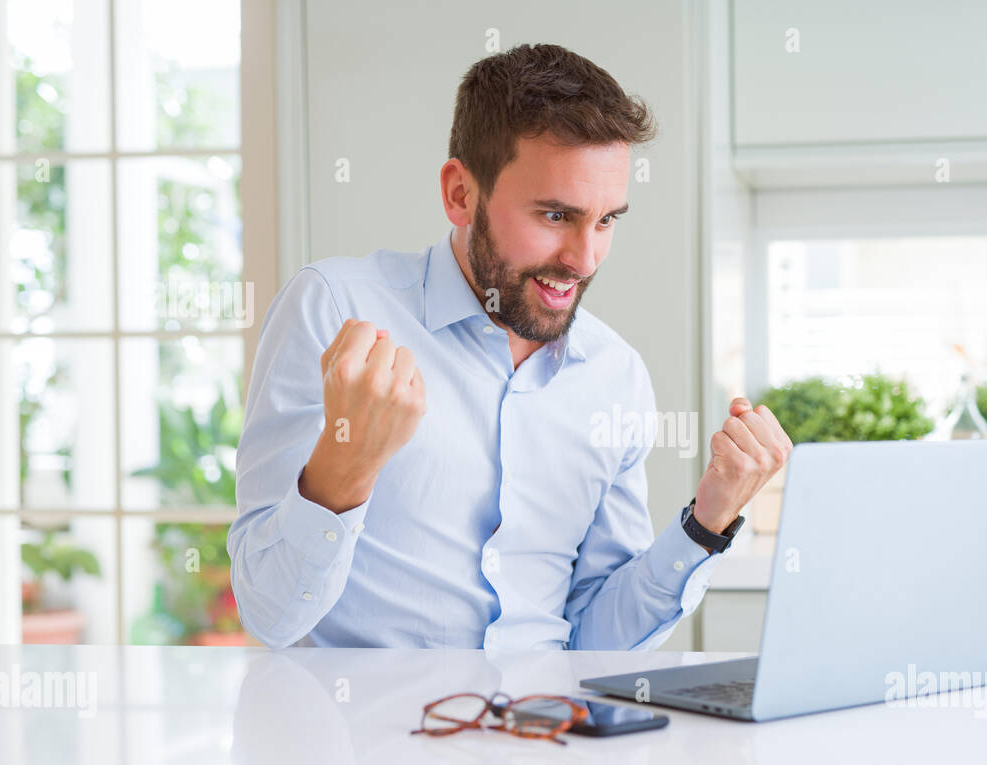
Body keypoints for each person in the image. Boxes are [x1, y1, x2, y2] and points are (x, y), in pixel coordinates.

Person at [228, 43, 790, 651]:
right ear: (460, 194)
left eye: (606, 221)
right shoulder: (334, 312)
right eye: (555, 215)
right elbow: (270, 613)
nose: (583, 259)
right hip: (371, 738)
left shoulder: (615, 376)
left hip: (550, 736)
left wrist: (706, 524)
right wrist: (349, 465)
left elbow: (592, 642)